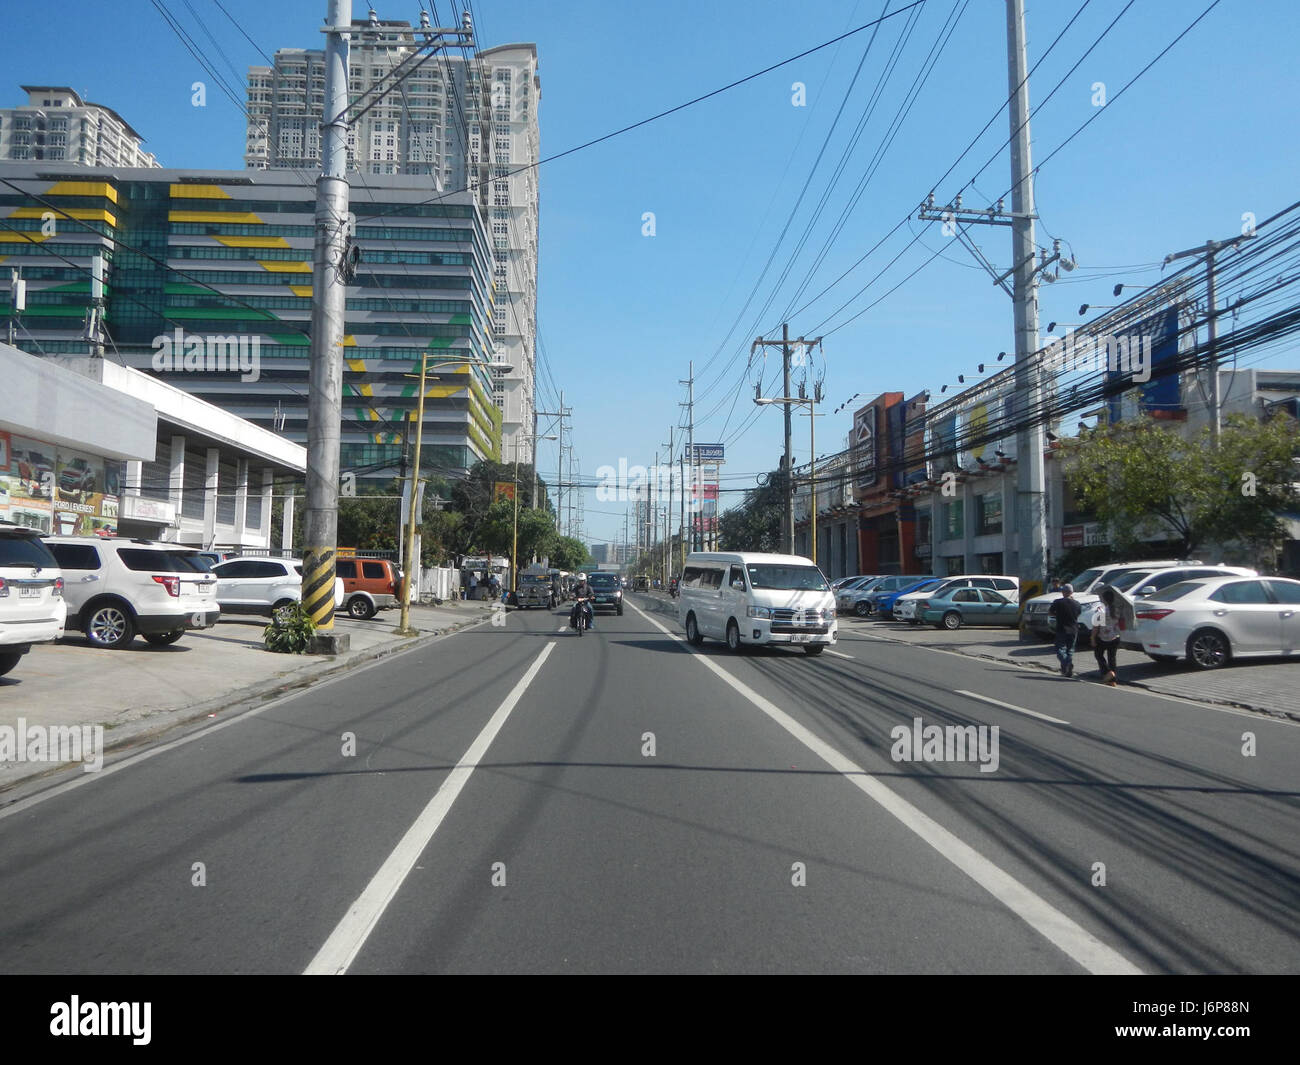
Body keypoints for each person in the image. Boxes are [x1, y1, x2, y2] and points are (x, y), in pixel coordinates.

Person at [1089, 585, 1122, 685]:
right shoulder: (1118, 609)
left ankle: (1108, 672)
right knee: (1112, 658)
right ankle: (1112, 681)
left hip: (1103, 638)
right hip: (1115, 637)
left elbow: (1096, 627)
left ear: (1103, 599)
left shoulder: (1100, 611)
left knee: (1098, 655)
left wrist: (1092, 638)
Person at [1049, 583, 1083, 676]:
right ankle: (1067, 671)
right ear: (1072, 592)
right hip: (1073, 629)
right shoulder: (1077, 604)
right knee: (1070, 650)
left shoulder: (1057, 602)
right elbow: (1078, 614)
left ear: (1063, 592)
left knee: (1059, 648)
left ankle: (1066, 663)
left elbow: (1050, 613)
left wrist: (1058, 615)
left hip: (1061, 628)